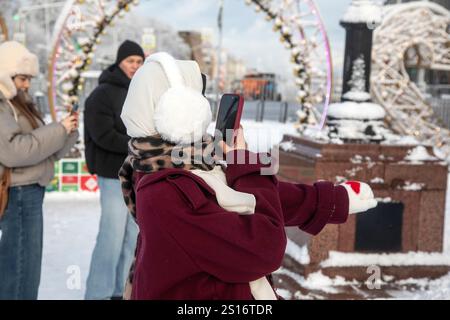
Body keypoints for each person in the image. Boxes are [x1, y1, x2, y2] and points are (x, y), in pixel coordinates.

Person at [118, 52, 378, 300]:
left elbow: (243, 198)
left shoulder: (172, 164)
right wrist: (243, 161)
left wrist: (330, 199)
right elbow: (264, 247)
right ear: (180, 113)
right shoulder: (166, 192)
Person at [0, 41, 79, 300]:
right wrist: (58, 130)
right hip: (18, 193)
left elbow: (44, 152)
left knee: (27, 268)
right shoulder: (2, 106)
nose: (26, 84)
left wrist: (68, 131)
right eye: (22, 78)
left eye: (29, 79)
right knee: (20, 269)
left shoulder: (21, 104)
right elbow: (15, 152)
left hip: (31, 191)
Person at [84, 40, 145, 300]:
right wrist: (137, 145)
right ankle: (98, 293)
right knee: (111, 237)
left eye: (139, 62)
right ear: (119, 62)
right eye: (131, 61)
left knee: (131, 237)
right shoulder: (103, 93)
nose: (135, 66)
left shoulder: (138, 92)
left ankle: (121, 291)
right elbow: (102, 135)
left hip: (134, 174)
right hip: (111, 175)